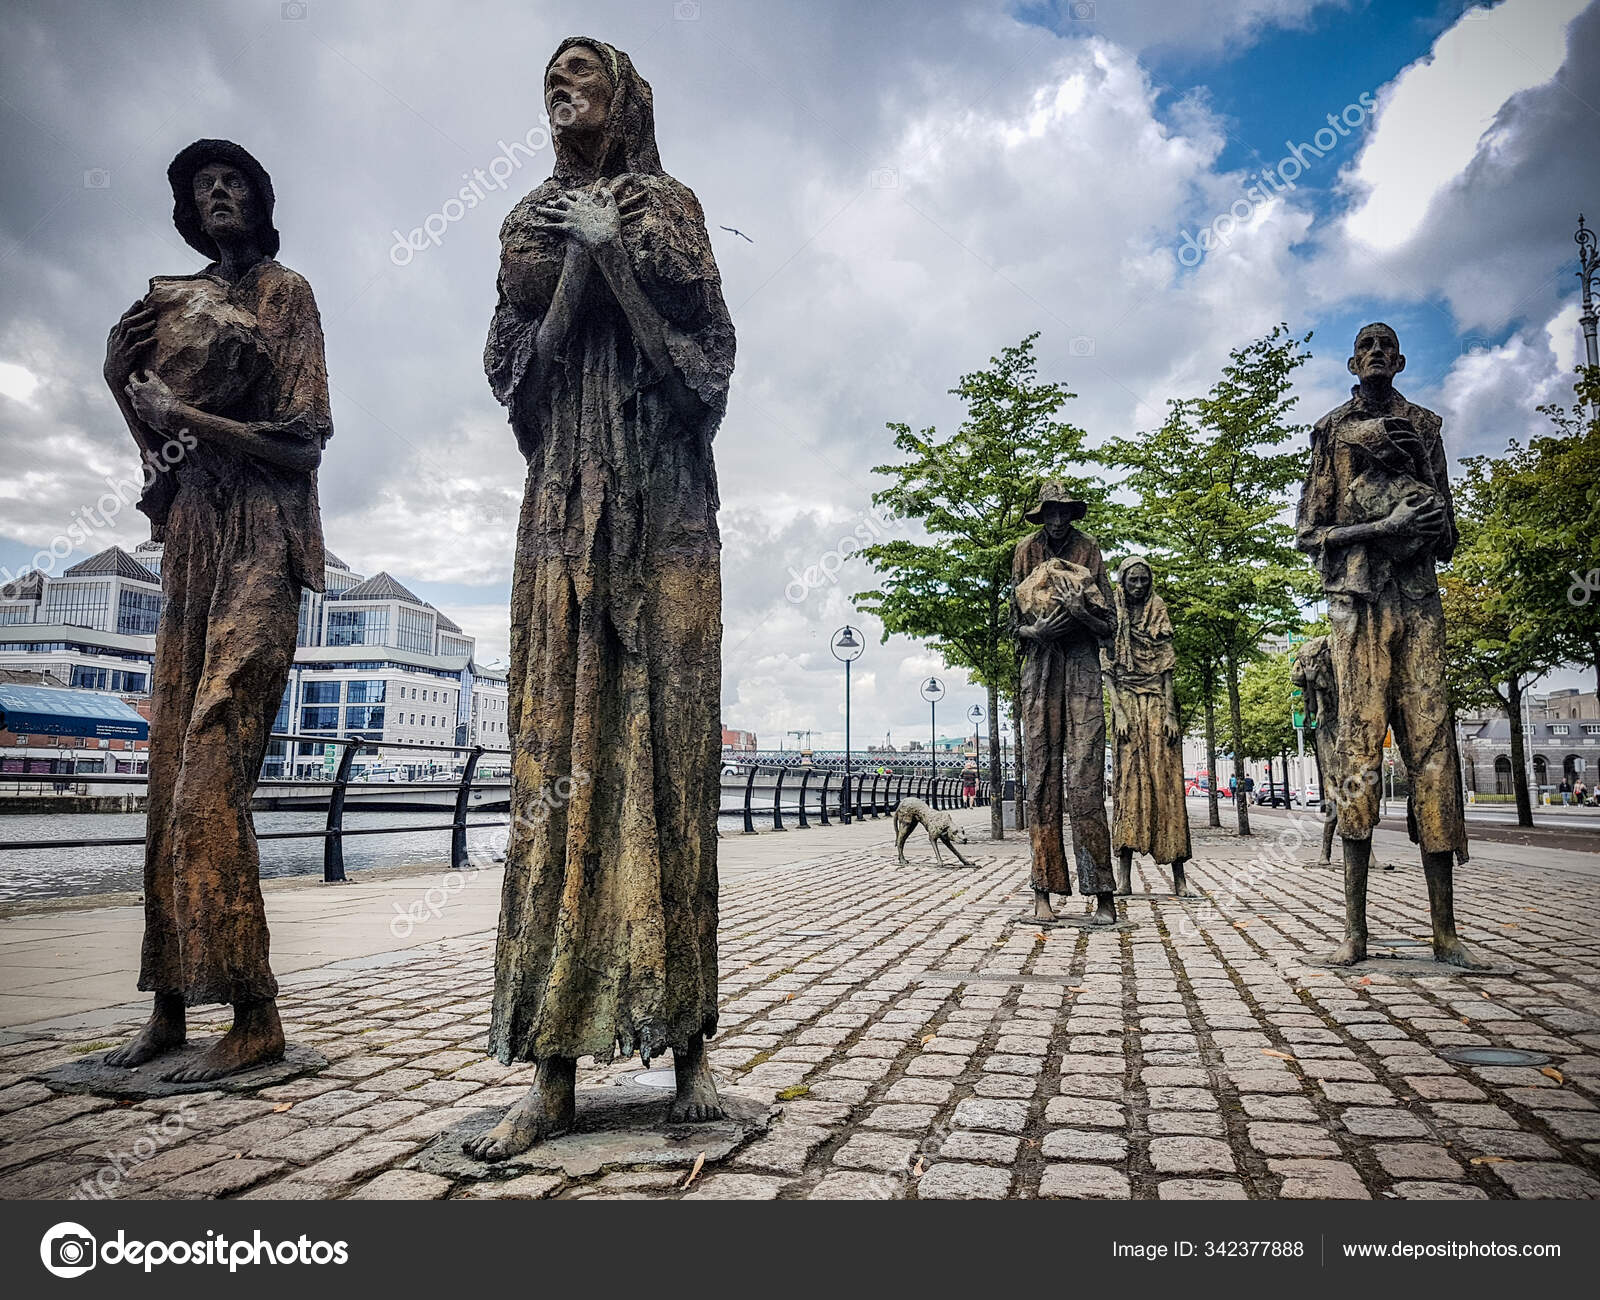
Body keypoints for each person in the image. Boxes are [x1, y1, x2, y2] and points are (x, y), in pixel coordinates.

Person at [466, 38, 735, 1160]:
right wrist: (580, 263)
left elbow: (703, 378)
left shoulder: (670, 205)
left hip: (667, 515)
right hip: (565, 514)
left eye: (581, 74)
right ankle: (554, 1070)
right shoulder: (528, 219)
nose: (560, 90)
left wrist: (617, 259)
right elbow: (517, 384)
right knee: (556, 758)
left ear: (625, 97)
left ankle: (689, 1053)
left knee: (672, 763)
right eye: (549, 79)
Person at [102, 140, 332, 1081]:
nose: (220, 195)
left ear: (259, 197)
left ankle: (256, 1015)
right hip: (194, 535)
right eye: (204, 189)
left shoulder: (289, 295)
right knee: (167, 772)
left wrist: (184, 416)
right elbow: (158, 463)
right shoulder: (175, 300)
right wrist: (118, 384)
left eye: (233, 181)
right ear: (189, 214)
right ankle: (166, 1008)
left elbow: (305, 444)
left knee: (211, 765)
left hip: (263, 540)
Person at [1296, 323, 1479, 968]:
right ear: (1352, 360)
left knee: (1434, 748)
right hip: (1357, 603)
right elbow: (1309, 534)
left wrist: (1426, 521)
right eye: (1364, 346)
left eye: (1386, 347)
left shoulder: (1427, 426)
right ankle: (1355, 931)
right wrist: (1381, 525)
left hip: (1419, 599)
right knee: (1357, 744)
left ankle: (1446, 932)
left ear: (1400, 360)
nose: (1375, 354)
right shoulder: (1331, 430)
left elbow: (1450, 533)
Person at [1012, 481, 1118, 925]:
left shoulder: (1090, 549)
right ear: (1042, 515)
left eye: (1063, 513)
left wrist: (1080, 612)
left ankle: (1103, 894)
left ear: (1072, 514)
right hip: (1039, 669)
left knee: (1086, 779)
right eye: (1049, 513)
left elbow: (1109, 623)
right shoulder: (1023, 551)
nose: (1057, 521)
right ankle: (1043, 890)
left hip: (1081, 669)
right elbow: (1011, 621)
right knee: (1040, 778)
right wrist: (1034, 633)